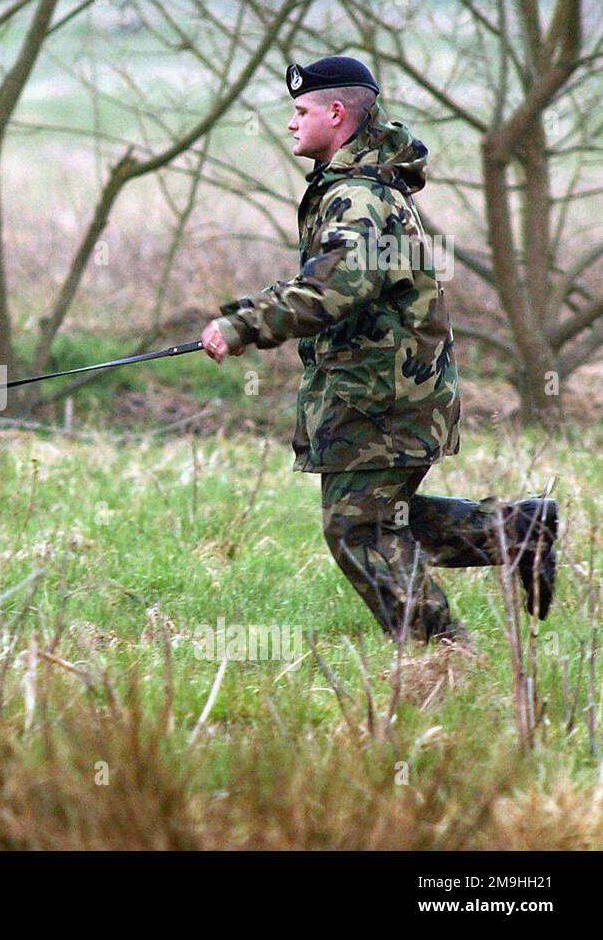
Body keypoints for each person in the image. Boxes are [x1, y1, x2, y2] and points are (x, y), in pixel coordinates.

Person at [200, 55, 557, 645]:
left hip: (384, 398)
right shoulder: (353, 189)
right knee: (378, 518)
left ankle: (441, 650)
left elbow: (336, 288)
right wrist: (247, 315)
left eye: (301, 111)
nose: (291, 124)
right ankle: (518, 529)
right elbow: (333, 278)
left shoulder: (358, 196)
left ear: (336, 114)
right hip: (381, 391)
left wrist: (241, 326)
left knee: (357, 531)